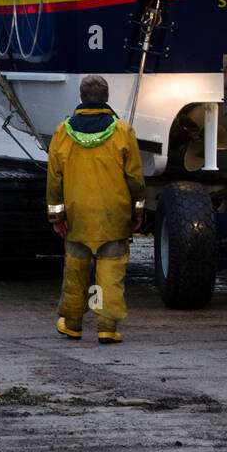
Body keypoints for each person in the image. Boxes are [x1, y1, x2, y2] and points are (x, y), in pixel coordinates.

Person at [47, 74, 145, 344]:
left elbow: (54, 177)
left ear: (80, 97)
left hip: (78, 217)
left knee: (75, 273)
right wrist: (137, 212)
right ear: (107, 98)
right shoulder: (123, 132)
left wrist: (56, 215)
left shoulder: (62, 132)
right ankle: (107, 327)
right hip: (114, 215)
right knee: (111, 273)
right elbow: (135, 178)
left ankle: (72, 324)